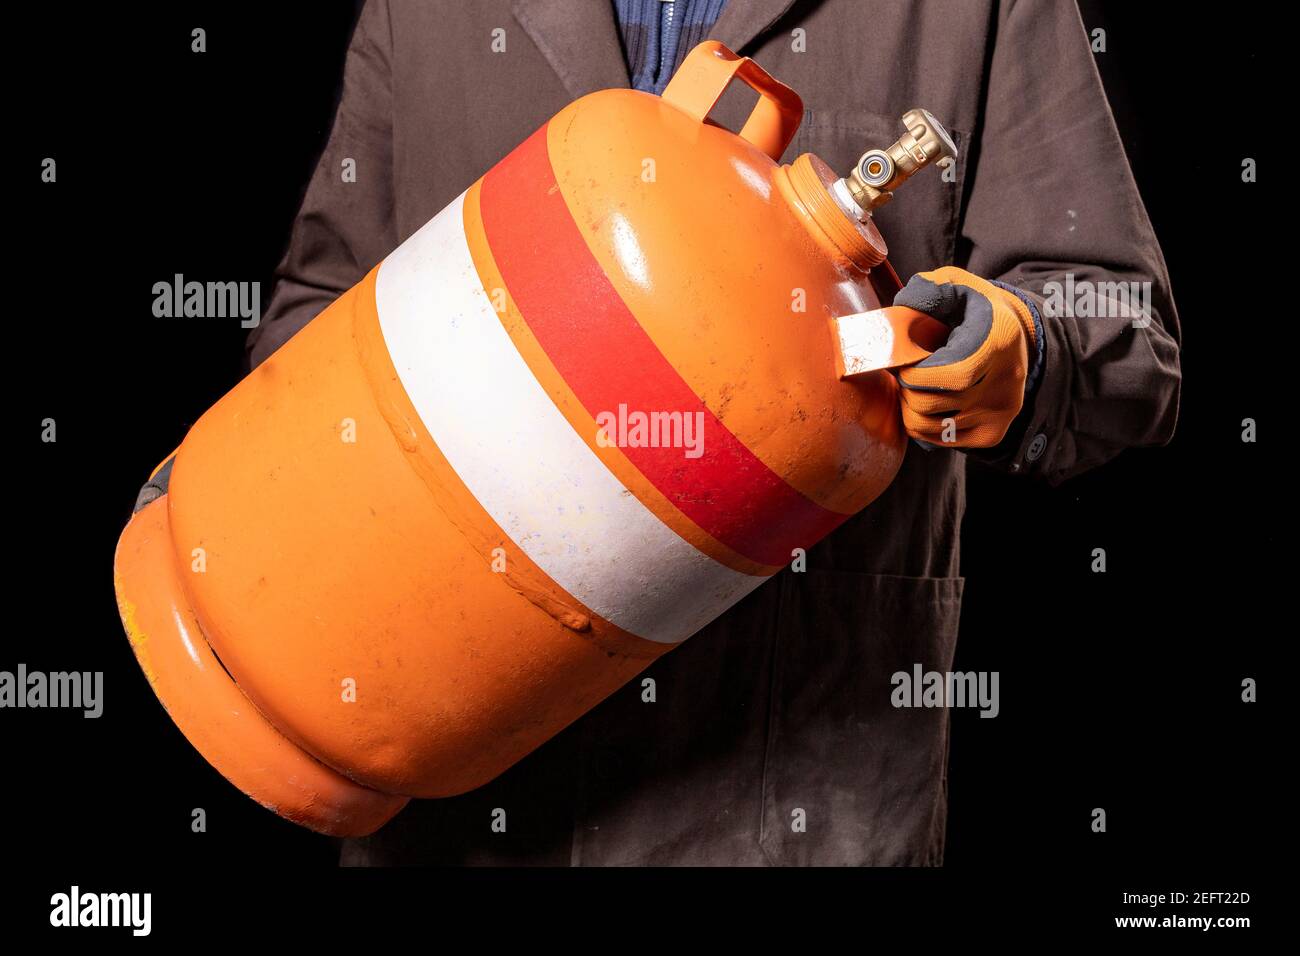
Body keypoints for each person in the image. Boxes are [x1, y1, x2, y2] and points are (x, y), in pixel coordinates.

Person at [248, 0, 1180, 865]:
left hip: (793, 785)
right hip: (448, 755)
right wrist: (243, 480)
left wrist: (1031, 356)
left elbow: (1129, 333)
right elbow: (323, 305)